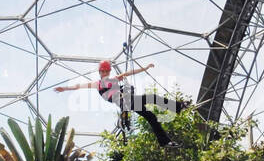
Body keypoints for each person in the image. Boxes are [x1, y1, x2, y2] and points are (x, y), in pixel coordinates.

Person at [55, 60, 184, 146]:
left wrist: (145, 68)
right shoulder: (97, 84)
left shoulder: (114, 79)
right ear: (100, 73)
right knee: (151, 98)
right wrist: (64, 89)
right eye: (103, 71)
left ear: (109, 72)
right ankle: (177, 107)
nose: (105, 73)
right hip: (125, 102)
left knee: (151, 116)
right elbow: (78, 86)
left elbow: (129, 73)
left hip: (129, 102)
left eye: (107, 71)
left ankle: (164, 141)